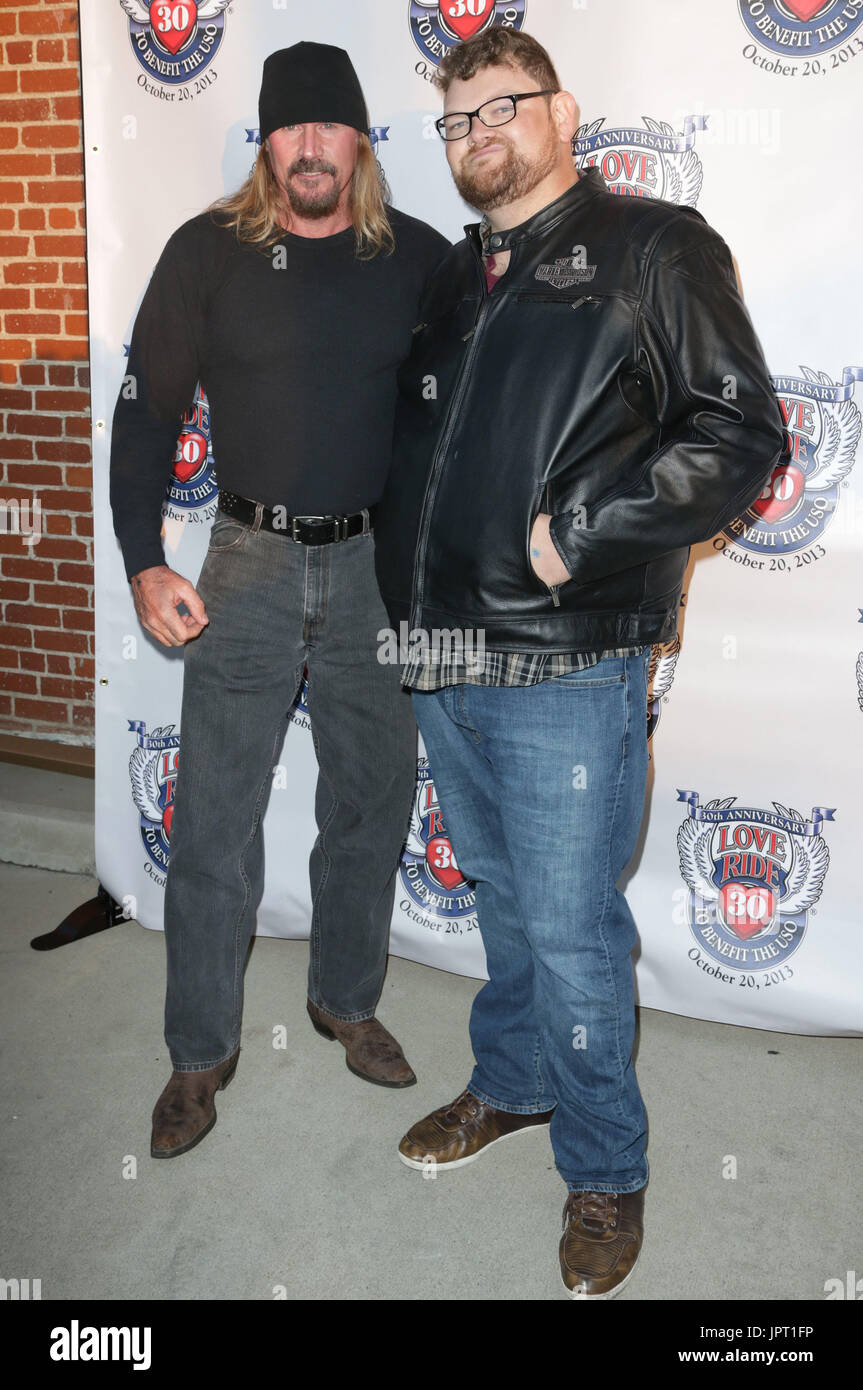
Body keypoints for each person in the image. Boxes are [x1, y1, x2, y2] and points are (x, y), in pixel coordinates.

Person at [373, 27, 785, 1298]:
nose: (476, 136)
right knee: (500, 897)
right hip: (439, 645)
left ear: (561, 111)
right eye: (454, 122)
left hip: (565, 653)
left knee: (568, 926)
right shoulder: (452, 275)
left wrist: (585, 535)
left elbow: (737, 430)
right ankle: (513, 1083)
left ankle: (605, 1168)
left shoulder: (654, 249)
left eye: (500, 108)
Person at [109, 42, 449, 1160]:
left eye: (329, 126)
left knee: (371, 798)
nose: (309, 145)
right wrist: (143, 558)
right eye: (289, 127)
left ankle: (344, 1000)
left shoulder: (416, 261)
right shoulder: (206, 253)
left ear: (359, 141)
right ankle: (197, 1052)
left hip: (370, 571)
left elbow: (488, 395)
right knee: (212, 819)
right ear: (267, 142)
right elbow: (147, 414)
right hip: (245, 560)